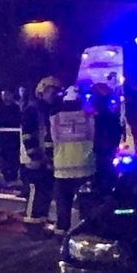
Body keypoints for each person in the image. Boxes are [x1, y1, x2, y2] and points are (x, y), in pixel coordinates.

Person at [49, 85, 95, 236]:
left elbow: (50, 140)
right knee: (86, 203)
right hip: (85, 166)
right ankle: (86, 232)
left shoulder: (55, 117)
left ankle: (61, 232)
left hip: (62, 168)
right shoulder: (89, 116)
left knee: (63, 204)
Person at [20, 76, 62, 238]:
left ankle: (41, 224)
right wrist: (35, 156)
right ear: (42, 91)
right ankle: (32, 226)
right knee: (36, 192)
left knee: (45, 193)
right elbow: (28, 136)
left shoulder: (46, 109)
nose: (55, 94)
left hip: (44, 159)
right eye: (52, 91)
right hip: (33, 159)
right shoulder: (32, 110)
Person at [89, 83, 124, 199]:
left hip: (101, 152)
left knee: (103, 175)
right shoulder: (109, 117)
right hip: (105, 152)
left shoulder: (101, 117)